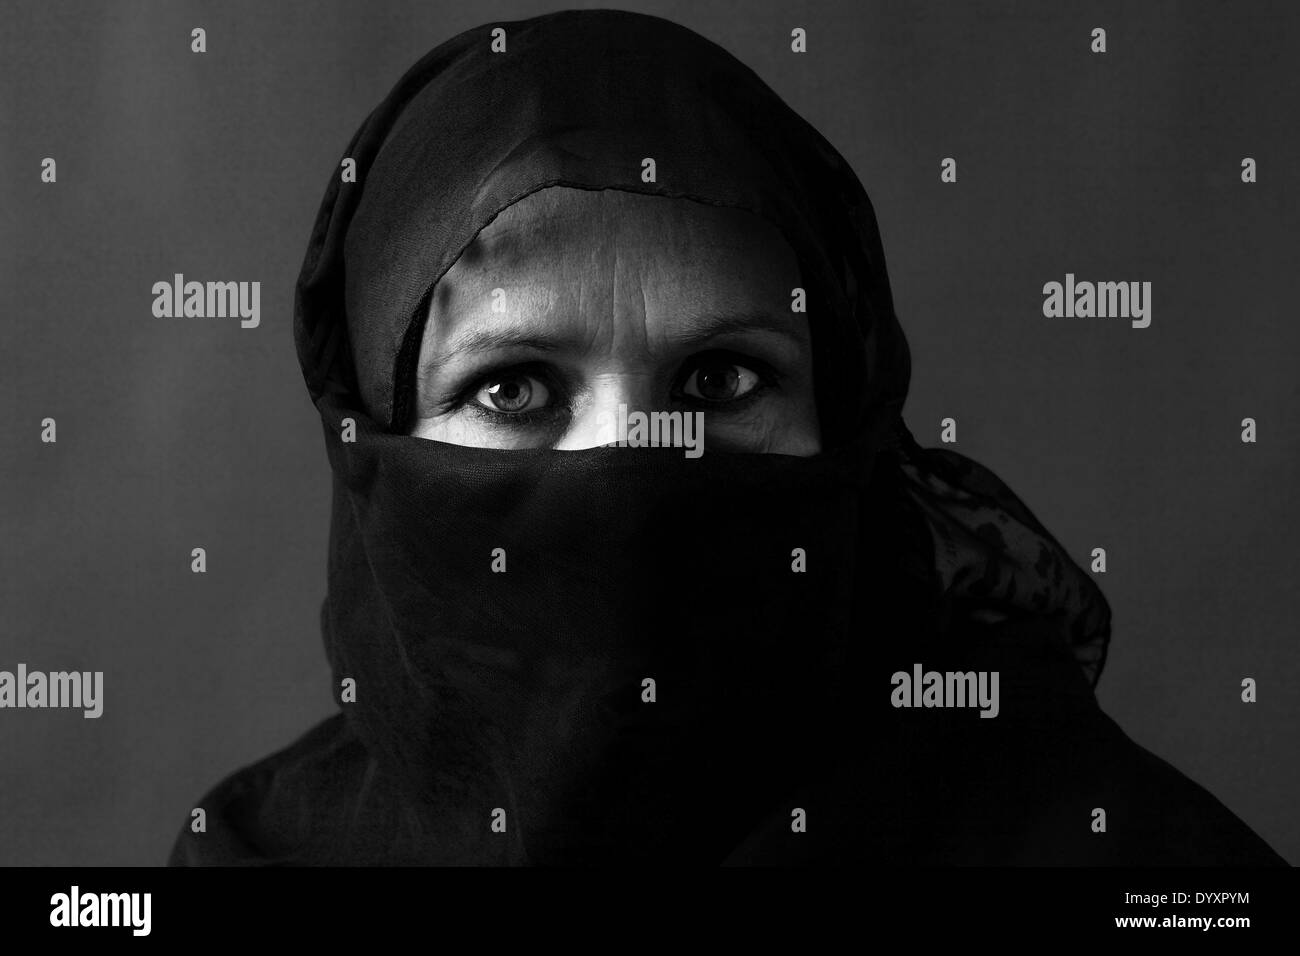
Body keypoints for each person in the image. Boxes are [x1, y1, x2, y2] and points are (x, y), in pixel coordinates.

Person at [169, 9, 1285, 866]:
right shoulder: (255, 859)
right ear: (377, 448)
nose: (634, 462)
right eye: (511, 388)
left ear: (845, 421)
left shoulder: (1121, 859)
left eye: (720, 376)